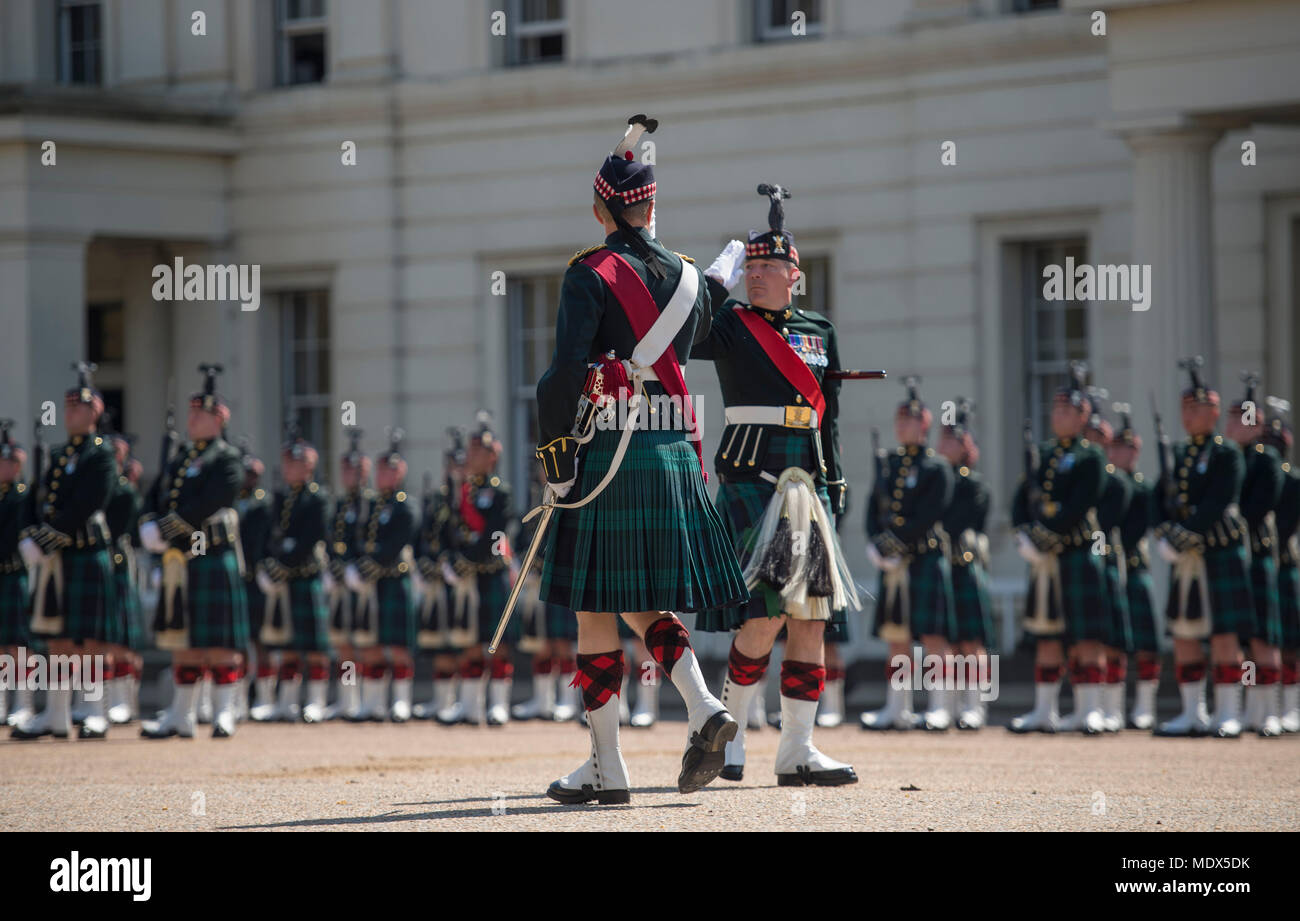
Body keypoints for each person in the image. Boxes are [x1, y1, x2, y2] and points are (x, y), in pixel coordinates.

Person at [533, 115, 748, 804]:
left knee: (595, 607)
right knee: (642, 600)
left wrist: (555, 452)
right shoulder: (687, 278)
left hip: (610, 453)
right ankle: (702, 704)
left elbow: (565, 374)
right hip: (673, 455)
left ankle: (607, 764)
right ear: (652, 204)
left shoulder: (587, 274)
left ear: (599, 209)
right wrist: (717, 273)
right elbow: (706, 312)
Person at [690, 183, 860, 783]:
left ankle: (797, 750)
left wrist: (834, 483)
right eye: (751, 266)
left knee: (809, 617)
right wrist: (717, 282)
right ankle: (731, 738)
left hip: (806, 484)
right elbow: (683, 337)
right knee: (762, 617)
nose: (758, 275)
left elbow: (828, 416)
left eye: (768, 267)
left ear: (795, 273)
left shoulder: (820, 329)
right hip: (749, 479)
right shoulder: (731, 324)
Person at [138, 365, 248, 739]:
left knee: (220, 643)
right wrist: (149, 527)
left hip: (213, 555)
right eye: (191, 412)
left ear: (219, 418)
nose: (193, 419)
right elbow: (157, 498)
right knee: (182, 640)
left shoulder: (227, 459)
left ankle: (223, 713)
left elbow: (211, 501)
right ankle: (181, 715)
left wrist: (164, 528)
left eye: (200, 413)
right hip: (181, 559)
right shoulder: (180, 458)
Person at [13, 363, 119, 741]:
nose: (71, 413)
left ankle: (93, 712)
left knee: (89, 641)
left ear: (95, 412)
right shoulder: (58, 454)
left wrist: (44, 538)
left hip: (86, 552)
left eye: (78, 408)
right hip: (58, 558)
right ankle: (55, 714)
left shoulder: (101, 455)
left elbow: (86, 504)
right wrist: (28, 532)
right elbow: (36, 499)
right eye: (68, 407)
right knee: (56, 639)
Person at [1152, 357, 1253, 738]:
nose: (1188, 416)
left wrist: (1182, 533)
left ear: (1213, 411)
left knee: (1225, 634)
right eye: (1184, 409)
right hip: (1187, 559)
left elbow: (1218, 501)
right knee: (1184, 633)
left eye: (1196, 409)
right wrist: (1163, 531)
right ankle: (1191, 711)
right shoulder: (1177, 454)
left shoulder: (1226, 454)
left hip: (1217, 552)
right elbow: (1158, 498)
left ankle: (1229, 711)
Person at [1008, 362, 1108, 734]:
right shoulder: (1044, 454)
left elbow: (1080, 504)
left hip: (1078, 552)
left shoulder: (1090, 456)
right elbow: (1021, 500)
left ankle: (1089, 710)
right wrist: (1024, 534)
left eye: (1068, 409)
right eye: (1057, 409)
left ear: (1084, 414)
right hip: (1045, 560)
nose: (1060, 415)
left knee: (1085, 637)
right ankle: (1044, 710)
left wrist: (1042, 534)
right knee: (1047, 636)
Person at [862, 378, 955, 733]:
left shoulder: (936, 467)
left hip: (924, 558)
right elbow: (874, 509)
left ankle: (939, 707)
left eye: (909, 421)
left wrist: (893, 543)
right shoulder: (888, 463)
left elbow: (930, 513)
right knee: (896, 637)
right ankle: (896, 707)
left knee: (932, 636)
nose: (902, 426)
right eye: (899, 421)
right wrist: (876, 544)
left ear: (924, 426)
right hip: (893, 564)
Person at [436, 412, 516, 726]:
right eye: (469, 451)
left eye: (477, 452)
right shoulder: (459, 491)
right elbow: (446, 529)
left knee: (496, 643)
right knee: (468, 642)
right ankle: (469, 706)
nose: (470, 457)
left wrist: (467, 556)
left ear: (492, 456)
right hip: (465, 577)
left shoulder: (500, 492)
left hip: (490, 571)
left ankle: (498, 706)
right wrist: (451, 560)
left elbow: (494, 533)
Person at [255, 422, 332, 723]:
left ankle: (316, 702)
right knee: (285, 646)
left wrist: (283, 561)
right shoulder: (280, 497)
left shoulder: (317, 498)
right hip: (283, 581)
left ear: (309, 465)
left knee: (313, 646)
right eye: (287, 462)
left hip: (305, 575)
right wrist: (269, 563)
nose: (288, 467)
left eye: (295, 462)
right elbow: (269, 536)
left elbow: (311, 537)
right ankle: (286, 702)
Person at [1225, 374, 1284, 737]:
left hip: (1258, 554)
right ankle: (1250, 707)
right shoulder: (1229, 457)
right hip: (1235, 558)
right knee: (1245, 638)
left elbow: (1257, 506)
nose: (1236, 426)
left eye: (1244, 419)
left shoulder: (1266, 460)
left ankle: (1270, 709)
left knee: (1264, 637)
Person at [346, 428, 418, 722]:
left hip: (392, 579)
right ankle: (372, 703)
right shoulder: (370, 504)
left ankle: (401, 702)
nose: (382, 475)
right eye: (379, 469)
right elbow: (356, 537)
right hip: (370, 585)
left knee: (398, 647)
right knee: (371, 646)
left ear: (399, 472)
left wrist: (365, 566)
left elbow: (394, 544)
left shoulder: (406, 505)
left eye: (388, 469)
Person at [936, 399, 995, 730]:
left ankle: (975, 706)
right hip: (942, 567)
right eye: (942, 439)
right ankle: (949, 704)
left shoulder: (973, 484)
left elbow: (957, 522)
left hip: (964, 564)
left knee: (972, 640)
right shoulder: (937, 478)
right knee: (946, 640)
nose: (944, 446)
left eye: (951, 440)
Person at [1078, 397, 1133, 733]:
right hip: (1082, 561)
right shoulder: (1081, 474)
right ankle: (1088, 707)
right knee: (1082, 637)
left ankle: (1111, 708)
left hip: (1107, 560)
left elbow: (1109, 522)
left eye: (1101, 440)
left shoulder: (1116, 482)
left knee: (1109, 638)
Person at [1108, 404, 1161, 729]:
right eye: (1118, 447)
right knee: (1113, 642)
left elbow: (1135, 530)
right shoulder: (1107, 484)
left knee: (1145, 643)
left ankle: (1145, 705)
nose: (1123, 454)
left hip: (1134, 566)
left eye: (1129, 448)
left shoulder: (1143, 488)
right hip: (1112, 570)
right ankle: (1111, 706)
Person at [324, 427, 370, 720]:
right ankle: (346, 700)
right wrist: (334, 567)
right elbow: (330, 539)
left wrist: (358, 568)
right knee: (342, 644)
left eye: (354, 470)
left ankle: (365, 700)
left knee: (364, 643)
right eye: (345, 469)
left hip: (363, 581)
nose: (348, 475)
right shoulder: (339, 505)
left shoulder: (371, 503)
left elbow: (370, 540)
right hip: (341, 579)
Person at [1261, 398, 1299, 731]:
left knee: (1288, 644)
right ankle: (1260, 705)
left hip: (1284, 565)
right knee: (1260, 640)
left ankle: (1290, 705)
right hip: (1264, 566)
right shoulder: (1258, 475)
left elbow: (1284, 525)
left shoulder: (1292, 481)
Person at [104, 433, 145, 724]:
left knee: (122, 641)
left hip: (117, 562)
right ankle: (105, 699)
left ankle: (125, 701)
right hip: (99, 565)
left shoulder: (123, 490)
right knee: (100, 639)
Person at [0, 421, 33, 728]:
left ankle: (23, 702)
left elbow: (12, 536)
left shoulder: (21, 495)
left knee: (18, 643)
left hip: (13, 573)